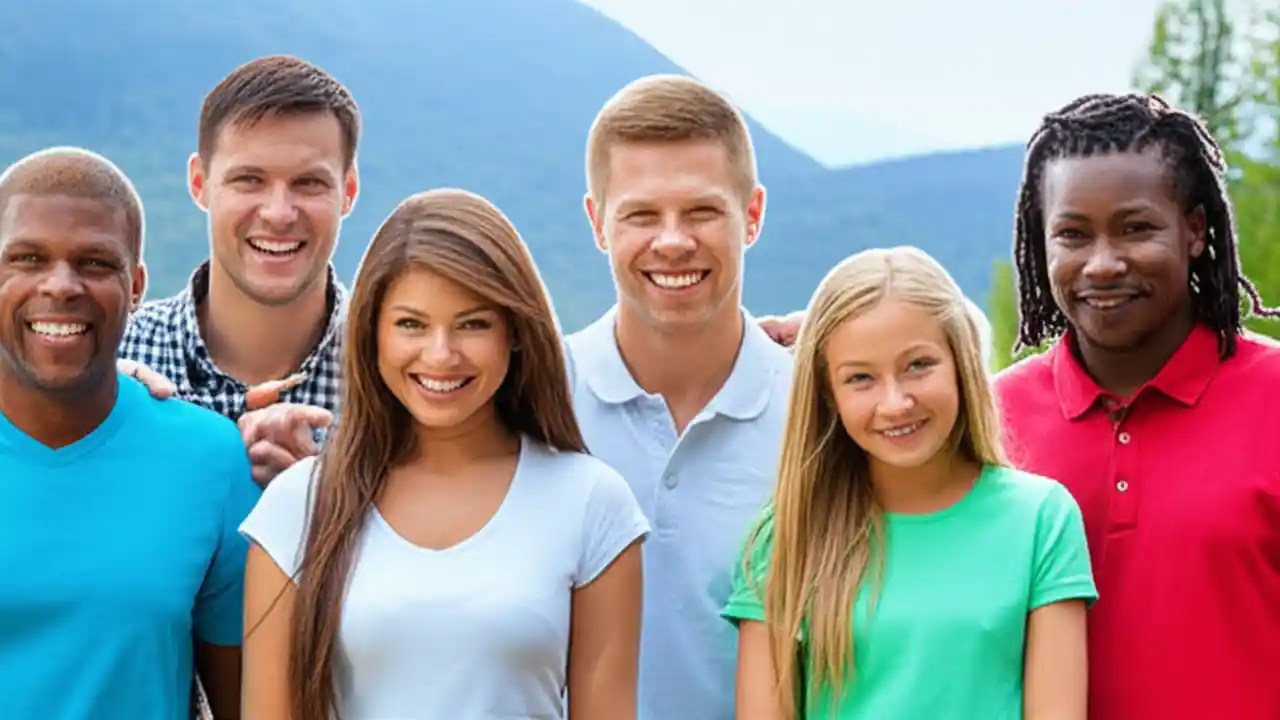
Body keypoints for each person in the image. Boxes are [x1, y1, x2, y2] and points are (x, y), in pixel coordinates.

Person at [238, 188, 648, 719]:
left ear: (515, 333)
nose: (441, 355)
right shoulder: (298, 506)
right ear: (372, 334)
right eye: (411, 324)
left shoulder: (592, 502)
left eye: (473, 324)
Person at [993, 92, 1280, 720]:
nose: (1102, 264)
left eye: (1136, 228)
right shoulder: (988, 420)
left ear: (1196, 231)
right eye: (1072, 234)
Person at [723, 246, 1095, 719]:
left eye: (919, 365)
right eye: (860, 378)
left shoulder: (1041, 520)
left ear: (960, 363)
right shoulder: (783, 537)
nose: (896, 402)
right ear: (827, 395)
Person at [564, 74, 795, 720]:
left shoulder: (821, 414)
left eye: (701, 211)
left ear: (752, 215)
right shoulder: (532, 399)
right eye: (641, 214)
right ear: (597, 223)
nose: (673, 241)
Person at [0, 147, 259, 718]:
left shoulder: (213, 462)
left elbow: (245, 704)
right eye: (26, 258)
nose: (61, 285)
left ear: (137, 285)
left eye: (95, 262)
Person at [119, 54, 357, 483]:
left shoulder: (398, 374)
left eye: (309, 183)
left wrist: (329, 497)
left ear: (349, 191)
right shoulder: (115, 364)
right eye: (249, 179)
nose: (279, 213)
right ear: (199, 183)